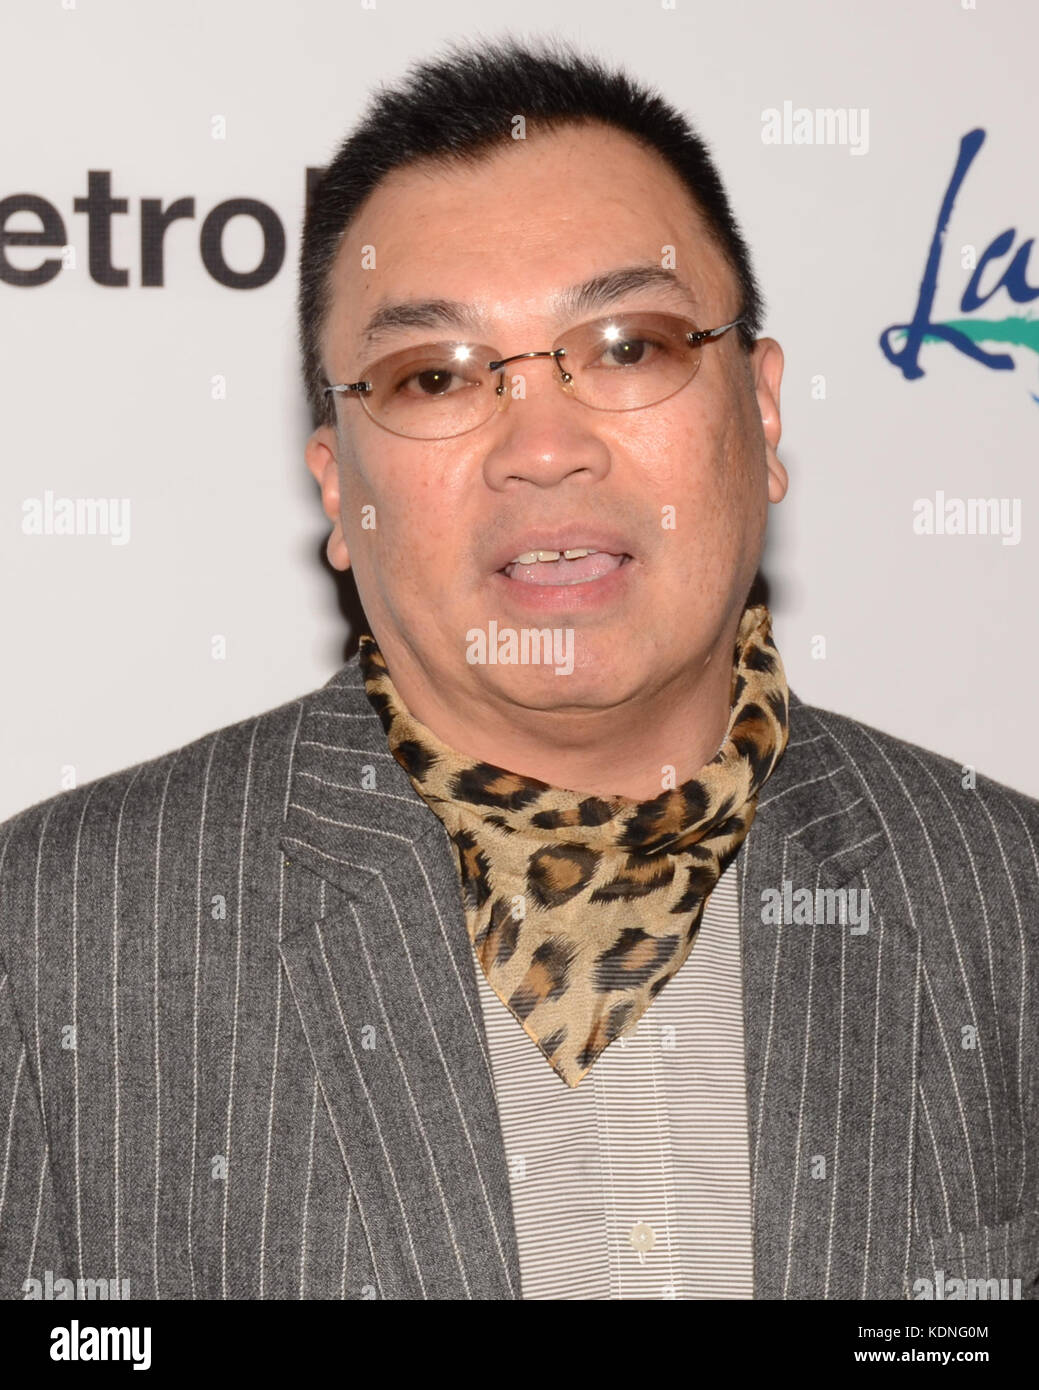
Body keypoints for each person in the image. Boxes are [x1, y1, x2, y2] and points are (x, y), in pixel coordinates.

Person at [1, 38, 1036, 1303]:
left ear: (762, 414)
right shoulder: (61, 940)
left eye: (627, 347)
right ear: (336, 488)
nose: (543, 447)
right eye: (434, 376)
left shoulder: (1005, 900)